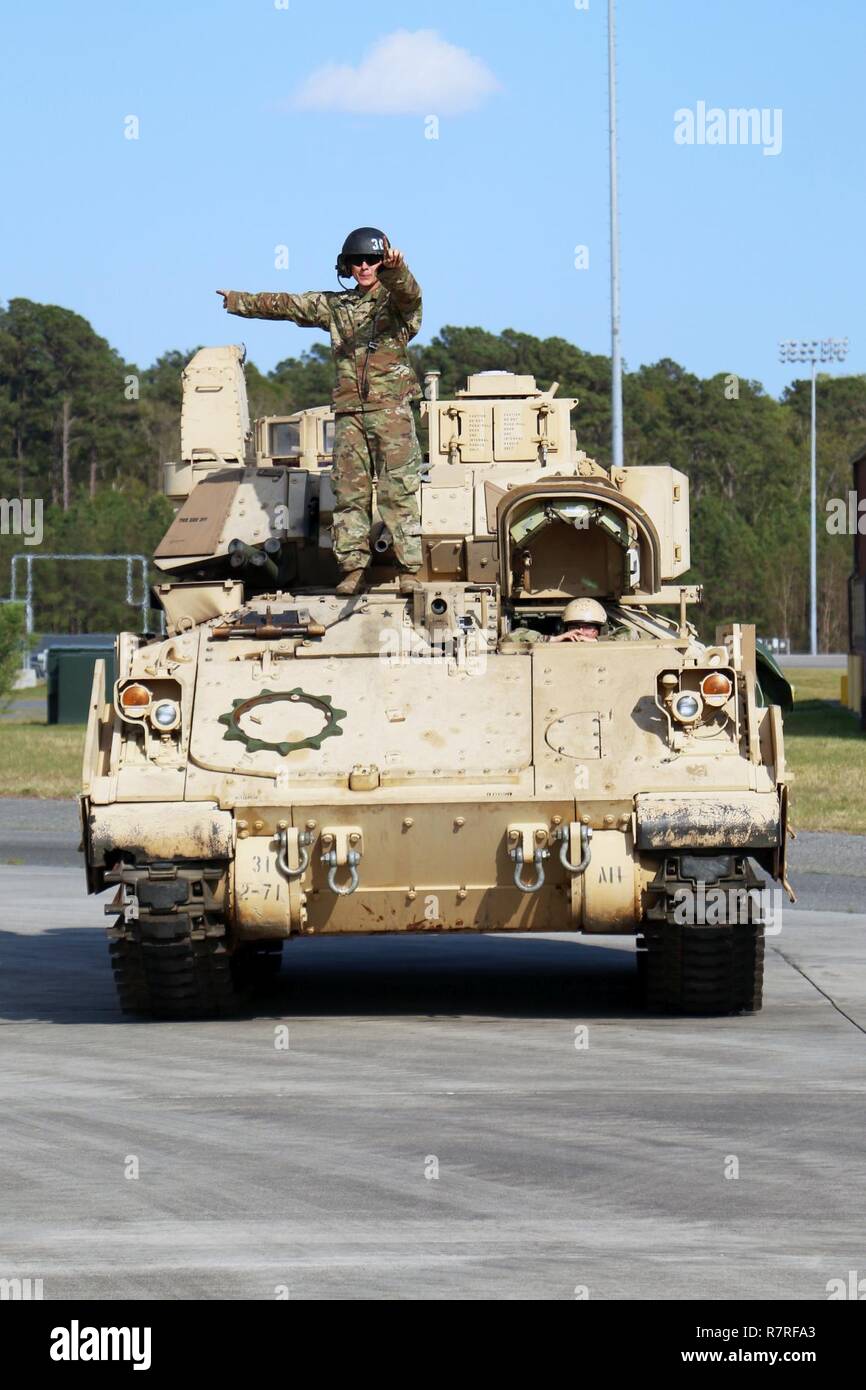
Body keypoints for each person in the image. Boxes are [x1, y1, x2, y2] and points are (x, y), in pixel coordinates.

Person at [217, 227, 423, 594]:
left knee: (398, 491)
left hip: (391, 412)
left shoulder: (394, 303)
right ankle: (353, 568)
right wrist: (238, 300)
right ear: (346, 266)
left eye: (372, 260)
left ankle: (409, 568)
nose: (364, 266)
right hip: (349, 414)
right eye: (356, 261)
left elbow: (410, 294)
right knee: (348, 494)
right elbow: (286, 305)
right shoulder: (337, 307)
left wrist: (396, 270)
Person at [501, 597, 608, 648]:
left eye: (588, 627)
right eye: (574, 627)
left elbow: (623, 635)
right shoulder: (558, 646)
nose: (580, 632)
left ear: (599, 630)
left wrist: (596, 642)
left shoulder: (609, 644)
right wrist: (556, 639)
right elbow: (511, 637)